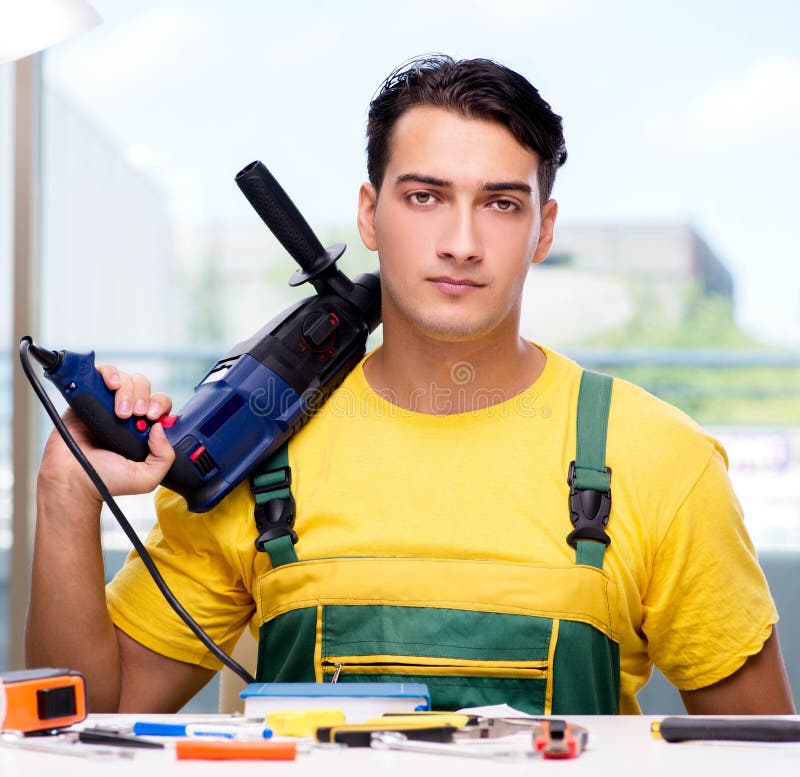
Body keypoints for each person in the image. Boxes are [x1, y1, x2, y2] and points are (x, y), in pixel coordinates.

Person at [28, 55, 794, 715]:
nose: (461, 244)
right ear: (370, 214)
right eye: (425, 197)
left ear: (545, 230)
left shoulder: (660, 458)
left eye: (500, 203)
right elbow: (78, 724)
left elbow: (760, 754)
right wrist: (68, 489)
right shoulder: (256, 454)